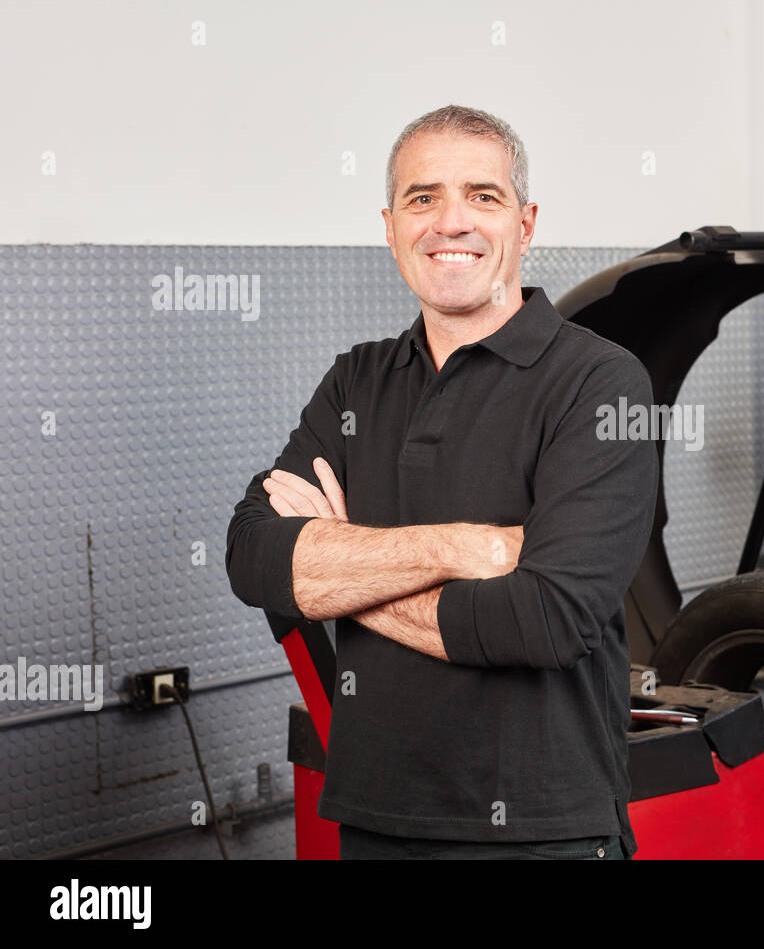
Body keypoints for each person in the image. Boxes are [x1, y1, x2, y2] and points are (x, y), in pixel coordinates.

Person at [225, 105, 659, 860]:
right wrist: (461, 547)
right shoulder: (355, 382)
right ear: (390, 227)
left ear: (525, 225)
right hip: (374, 818)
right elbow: (253, 559)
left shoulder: (601, 383)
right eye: (423, 198)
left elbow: (545, 620)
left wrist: (341, 568)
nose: (450, 222)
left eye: (482, 197)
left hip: (544, 828)